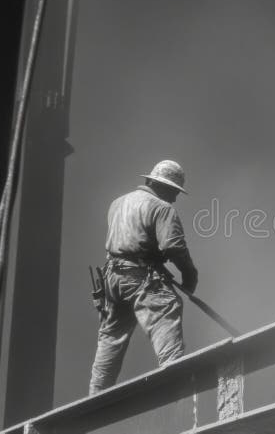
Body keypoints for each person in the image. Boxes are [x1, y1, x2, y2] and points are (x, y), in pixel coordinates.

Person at [89, 160, 199, 395]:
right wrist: (190, 274)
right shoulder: (161, 208)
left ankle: (96, 395)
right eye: (174, 192)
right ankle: (175, 384)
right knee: (166, 309)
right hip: (140, 276)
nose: (175, 198)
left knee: (111, 335)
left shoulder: (117, 203)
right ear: (163, 186)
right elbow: (173, 246)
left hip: (113, 280)